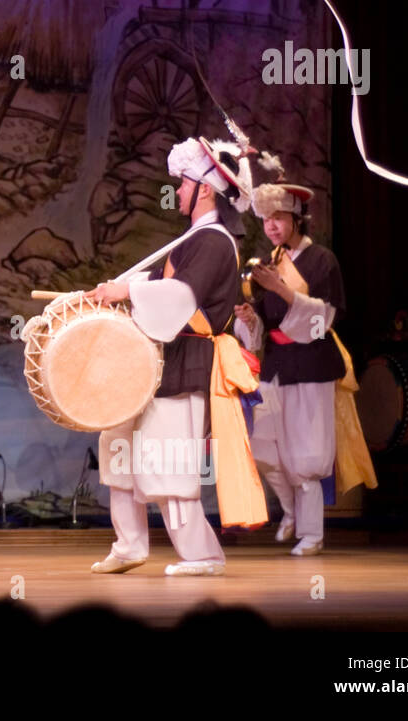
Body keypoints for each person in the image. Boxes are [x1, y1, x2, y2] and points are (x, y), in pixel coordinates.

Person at [87, 137, 262, 576]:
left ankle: (203, 554)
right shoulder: (194, 239)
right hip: (161, 360)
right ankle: (129, 544)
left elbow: (180, 296)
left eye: (183, 184)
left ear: (205, 188)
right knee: (118, 443)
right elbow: (161, 287)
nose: (177, 192)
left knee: (169, 462)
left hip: (189, 361)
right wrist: (115, 292)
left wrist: (128, 290)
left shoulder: (214, 242)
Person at [233, 182, 346, 556]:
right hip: (278, 365)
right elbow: (268, 320)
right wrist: (251, 319)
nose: (271, 226)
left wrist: (282, 290)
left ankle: (312, 533)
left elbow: (322, 320)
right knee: (264, 447)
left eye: (278, 218)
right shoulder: (273, 261)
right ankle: (292, 511)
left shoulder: (322, 261)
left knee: (306, 454)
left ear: (297, 220)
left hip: (311, 365)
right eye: (266, 220)